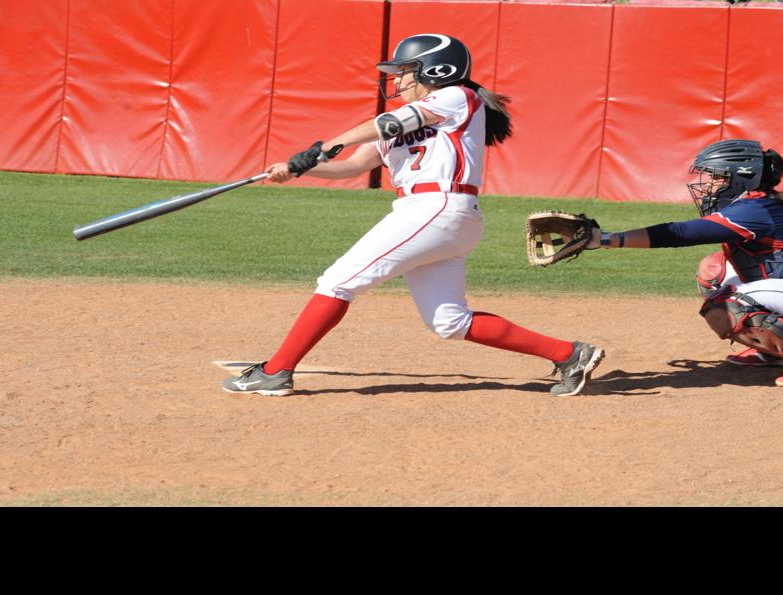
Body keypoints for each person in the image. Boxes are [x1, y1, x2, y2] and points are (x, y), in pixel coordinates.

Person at [224, 34, 604, 398]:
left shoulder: (457, 96)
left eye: (405, 70)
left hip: (436, 207)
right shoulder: (401, 121)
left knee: (339, 281)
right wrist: (297, 170)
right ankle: (570, 354)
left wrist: (327, 145)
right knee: (449, 321)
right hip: (434, 215)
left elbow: (387, 125)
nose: (398, 79)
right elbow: (355, 166)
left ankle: (275, 372)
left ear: (434, 71)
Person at [581, 139, 783, 386]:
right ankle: (778, 350)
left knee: (728, 304)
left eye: (715, 176)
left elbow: (682, 233)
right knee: (714, 269)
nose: (706, 184)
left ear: (741, 178)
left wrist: (603, 239)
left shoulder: (755, 210)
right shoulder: (760, 204)